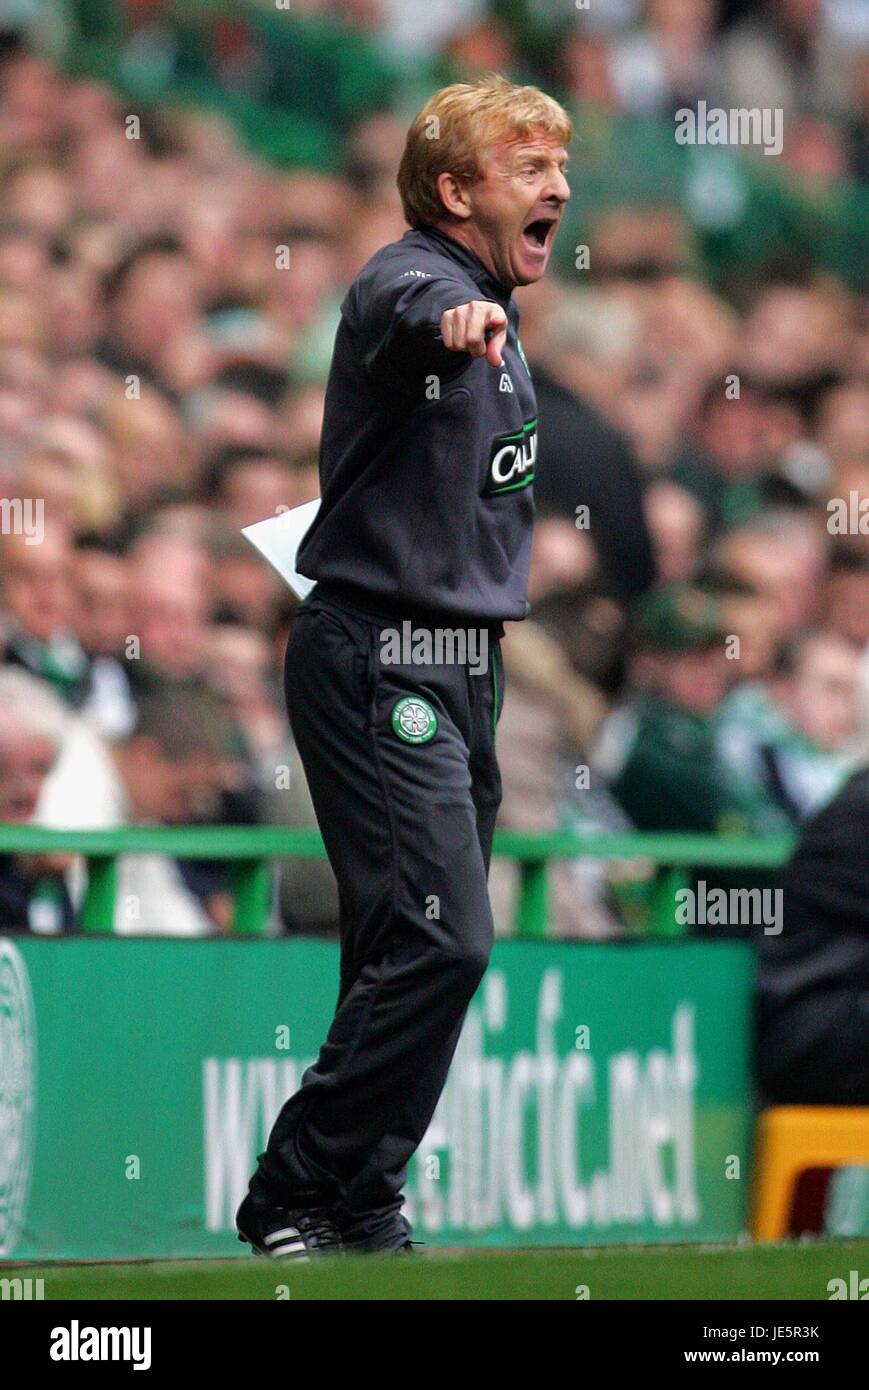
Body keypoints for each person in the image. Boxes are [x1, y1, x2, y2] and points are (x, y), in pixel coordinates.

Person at [236, 74, 571, 1258]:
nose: (558, 188)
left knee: (404, 945)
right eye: (528, 169)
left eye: (559, 168)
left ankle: (358, 1194)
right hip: (383, 651)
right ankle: (293, 1187)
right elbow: (400, 308)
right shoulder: (419, 279)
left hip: (457, 661)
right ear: (451, 190)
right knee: (444, 937)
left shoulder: (498, 300)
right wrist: (454, 325)